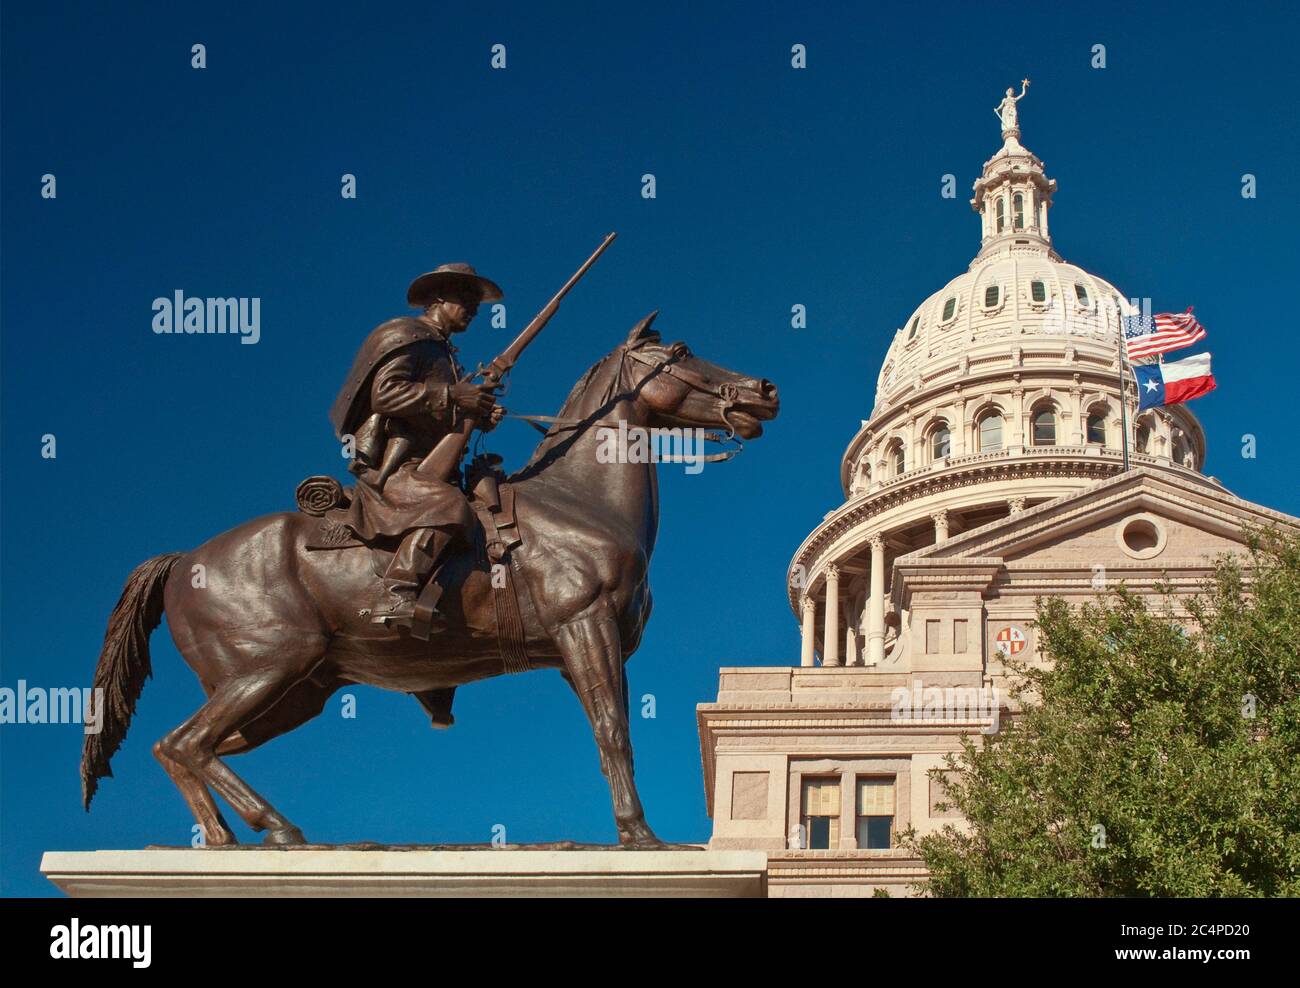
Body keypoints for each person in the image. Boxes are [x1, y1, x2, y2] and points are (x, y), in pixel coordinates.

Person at [328, 263, 505, 634]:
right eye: (466, 299)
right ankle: (397, 591)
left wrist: (479, 413)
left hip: (433, 465)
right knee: (449, 505)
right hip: (396, 467)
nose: (473, 308)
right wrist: (452, 394)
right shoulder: (410, 335)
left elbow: (440, 417)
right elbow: (385, 394)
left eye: (476, 302)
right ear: (438, 299)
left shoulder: (447, 355)